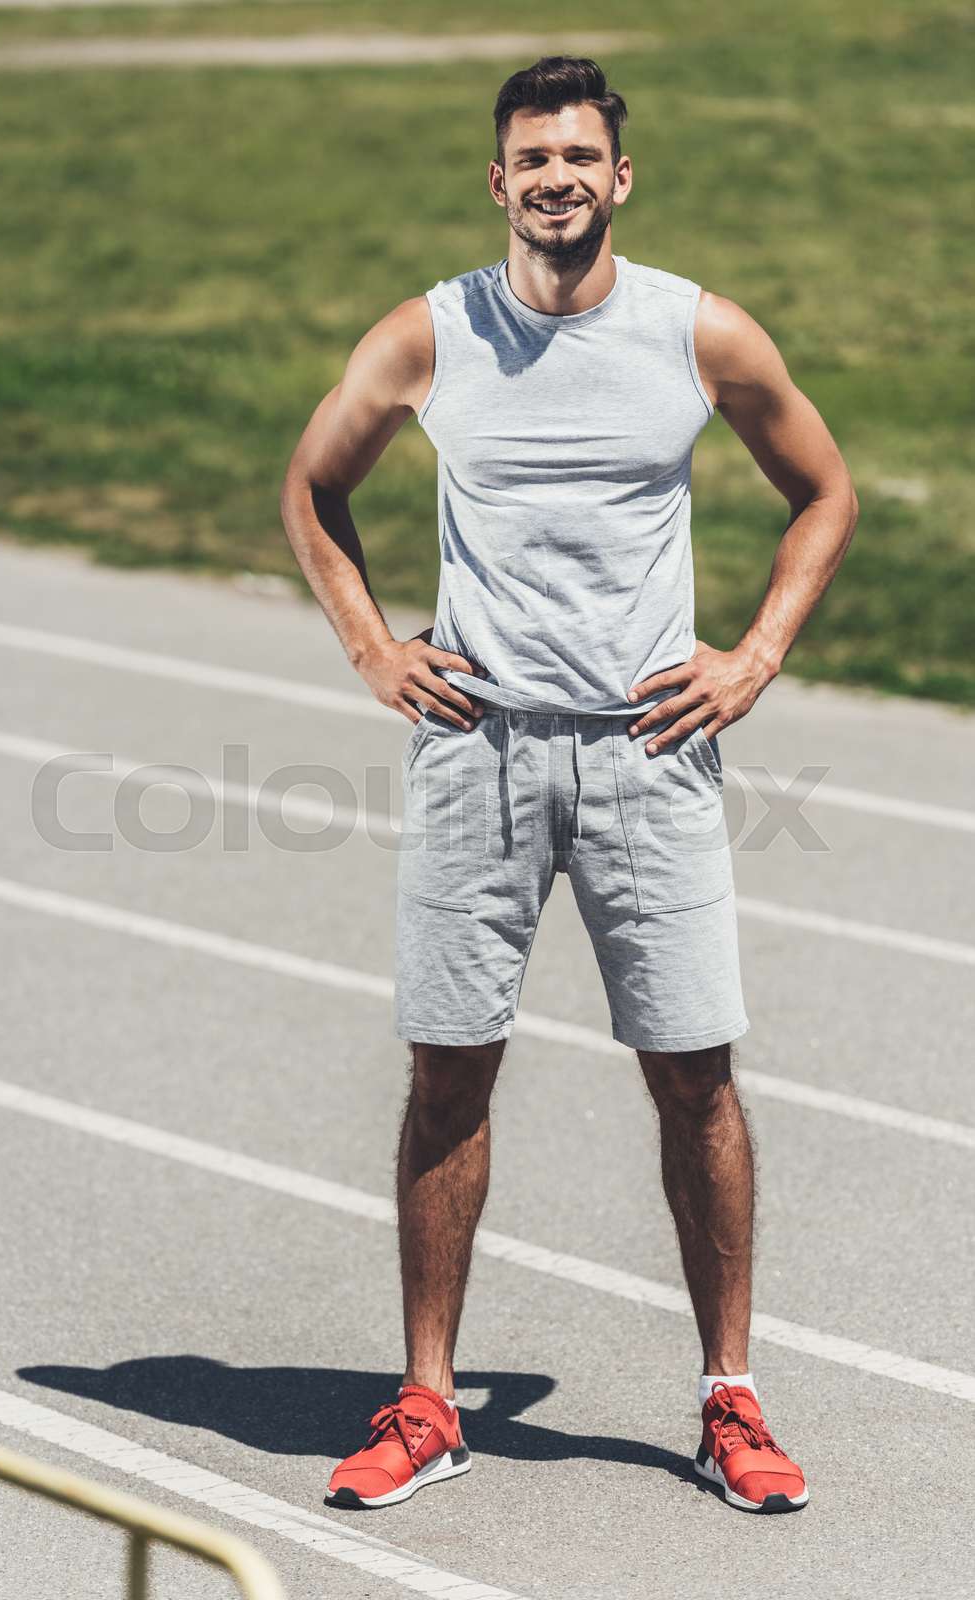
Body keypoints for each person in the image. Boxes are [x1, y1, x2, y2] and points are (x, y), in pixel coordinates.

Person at [281, 54, 857, 1516]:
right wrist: (369, 646)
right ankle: (427, 1398)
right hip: (476, 747)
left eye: (578, 157)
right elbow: (312, 484)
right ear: (498, 182)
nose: (555, 179)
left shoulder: (699, 332)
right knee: (448, 1071)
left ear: (619, 178)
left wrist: (756, 656)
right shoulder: (429, 335)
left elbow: (825, 492)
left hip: (648, 748)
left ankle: (731, 1395)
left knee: (694, 1075)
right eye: (530, 157)